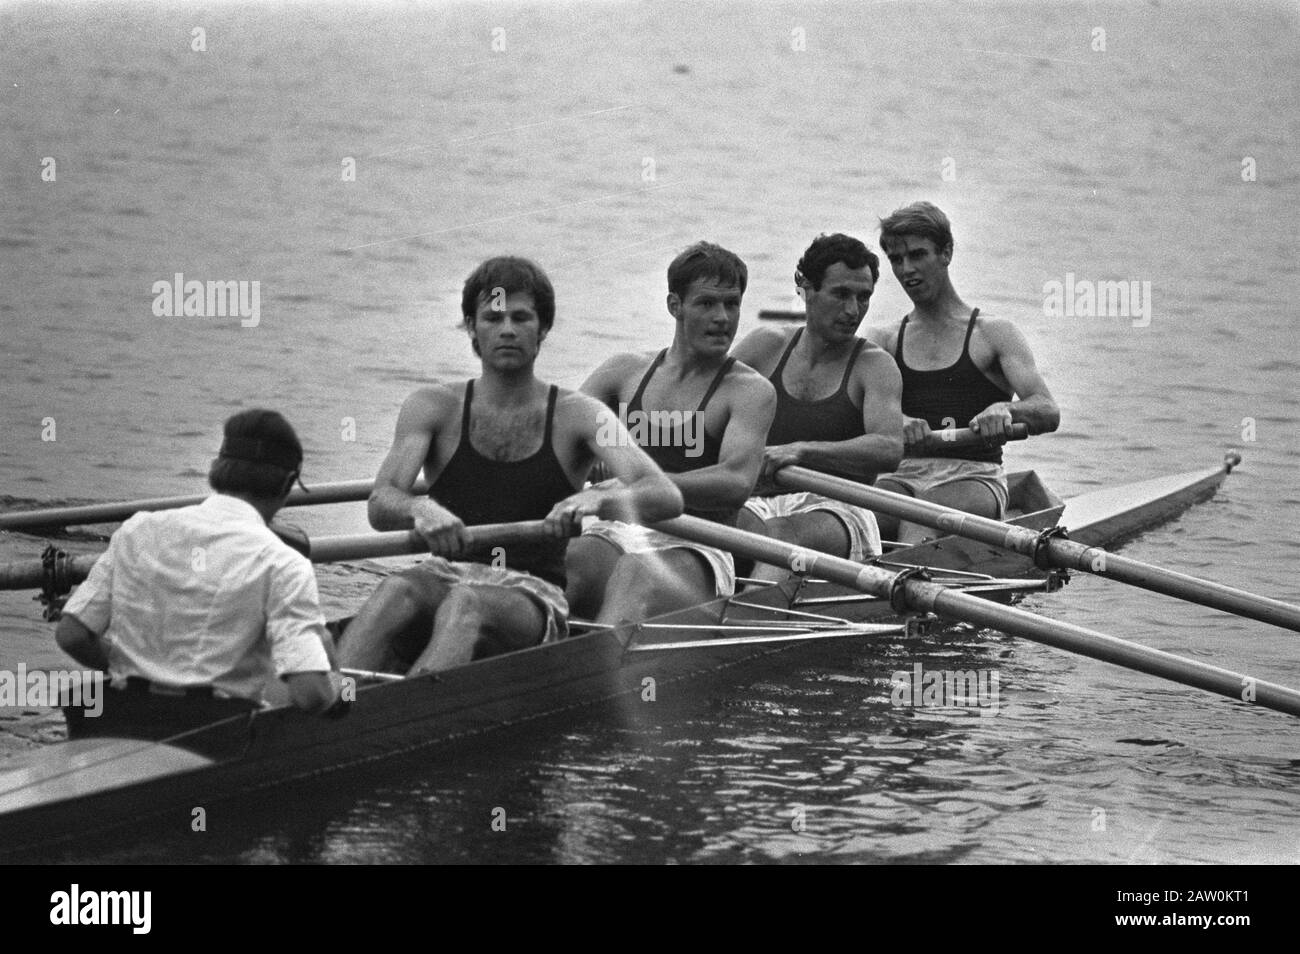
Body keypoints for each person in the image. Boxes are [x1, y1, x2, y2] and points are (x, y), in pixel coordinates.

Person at [338, 256, 681, 675]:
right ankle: (326, 705)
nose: (507, 330)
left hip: (531, 594)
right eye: (493, 318)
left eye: (521, 318)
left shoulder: (582, 416)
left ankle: (392, 716)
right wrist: (419, 508)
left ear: (542, 331)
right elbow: (381, 503)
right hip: (444, 570)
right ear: (472, 330)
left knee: (467, 602)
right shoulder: (431, 407)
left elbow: (663, 494)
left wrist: (594, 500)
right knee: (393, 590)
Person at [54, 410, 343, 740]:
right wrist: (337, 685)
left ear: (216, 471)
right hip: (215, 734)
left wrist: (140, 670)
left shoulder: (138, 529)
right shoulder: (285, 563)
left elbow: (72, 635)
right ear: (287, 485)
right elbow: (310, 694)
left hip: (113, 716)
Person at [566, 242, 776, 623]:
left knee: (636, 574)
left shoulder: (749, 391)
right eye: (707, 303)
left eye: (731, 304)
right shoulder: (623, 371)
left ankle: (593, 670)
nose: (722, 318)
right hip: (617, 530)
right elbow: (560, 438)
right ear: (674, 305)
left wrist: (639, 487)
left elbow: (735, 481)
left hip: (699, 545)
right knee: (567, 566)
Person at [866, 202, 1060, 543]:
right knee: (857, 519)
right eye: (897, 260)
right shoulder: (884, 339)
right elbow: (855, 411)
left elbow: (1047, 410)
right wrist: (894, 420)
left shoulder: (993, 333)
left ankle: (895, 583)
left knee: (920, 522)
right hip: (902, 475)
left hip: (973, 476)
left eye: (918, 255)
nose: (907, 269)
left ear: (946, 253)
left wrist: (1007, 409)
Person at [733, 233, 903, 581]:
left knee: (781, 536)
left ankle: (749, 619)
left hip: (840, 510)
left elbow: (889, 448)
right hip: (761, 501)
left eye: (863, 297)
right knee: (699, 517)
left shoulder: (874, 366)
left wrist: (802, 451)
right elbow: (701, 409)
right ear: (805, 287)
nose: (853, 311)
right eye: (841, 294)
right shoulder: (764, 346)